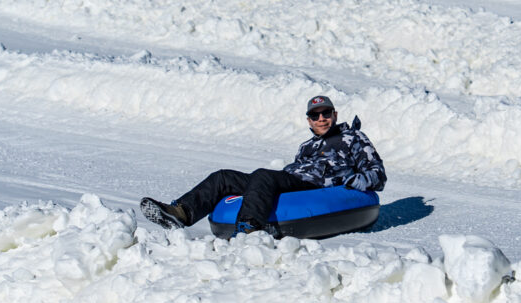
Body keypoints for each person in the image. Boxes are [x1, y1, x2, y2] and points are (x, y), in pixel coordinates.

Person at [140, 95, 386, 234]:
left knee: (264, 175)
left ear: (335, 115)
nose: (321, 119)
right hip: (292, 180)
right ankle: (180, 213)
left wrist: (358, 180)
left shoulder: (353, 138)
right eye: (315, 115)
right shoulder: (306, 145)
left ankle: (249, 227)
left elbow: (377, 173)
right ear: (309, 121)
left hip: (315, 185)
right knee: (223, 177)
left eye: (326, 113)